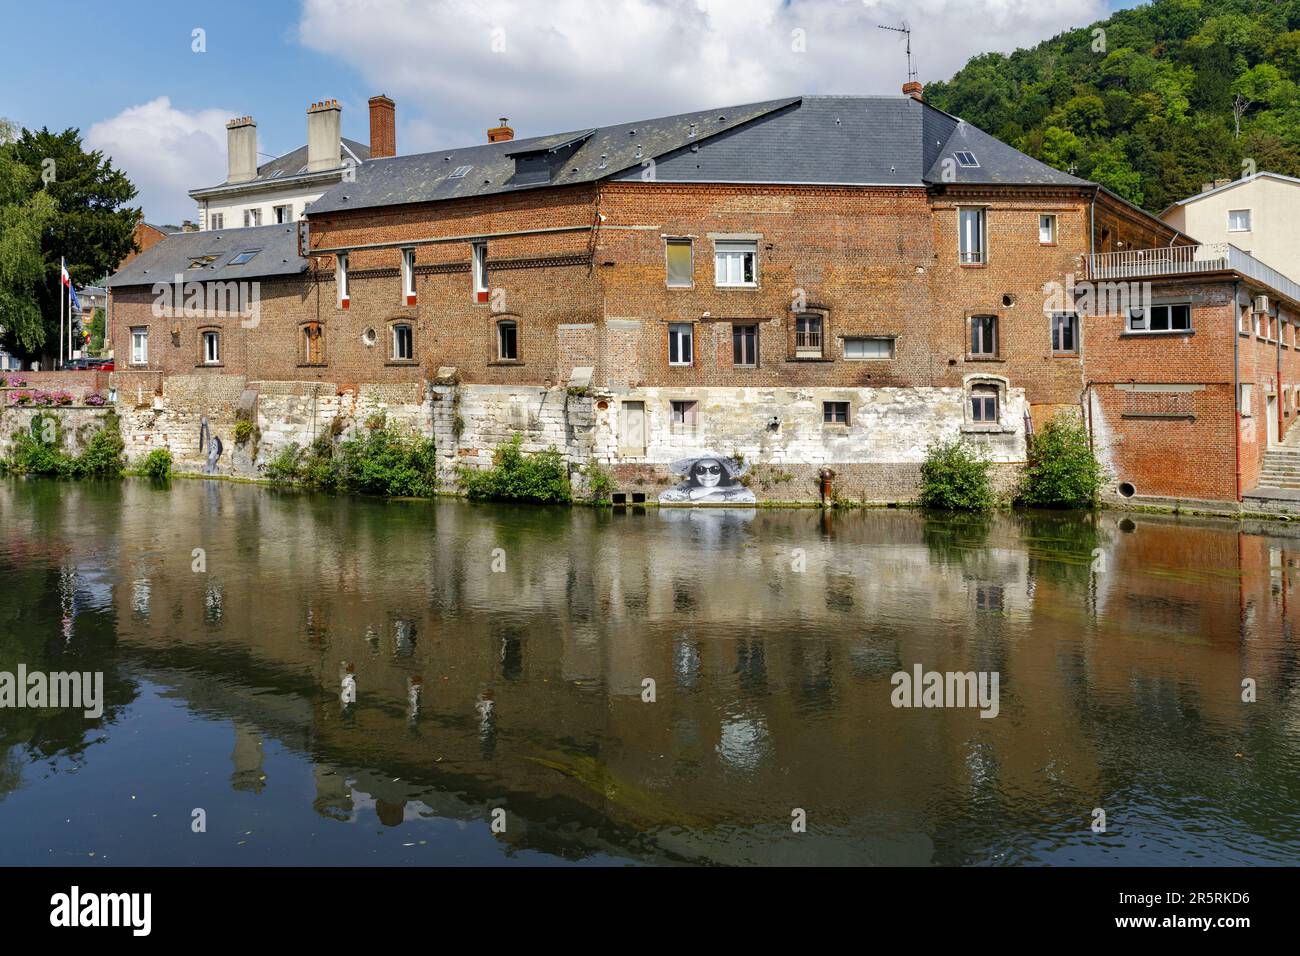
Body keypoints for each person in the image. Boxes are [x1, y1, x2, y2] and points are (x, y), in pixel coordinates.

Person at [658, 454, 756, 504]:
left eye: (714, 469)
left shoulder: (734, 484)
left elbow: (750, 498)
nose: (707, 474)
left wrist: (695, 494)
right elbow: (663, 496)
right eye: (701, 470)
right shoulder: (686, 484)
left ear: (722, 472)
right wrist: (715, 489)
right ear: (694, 473)